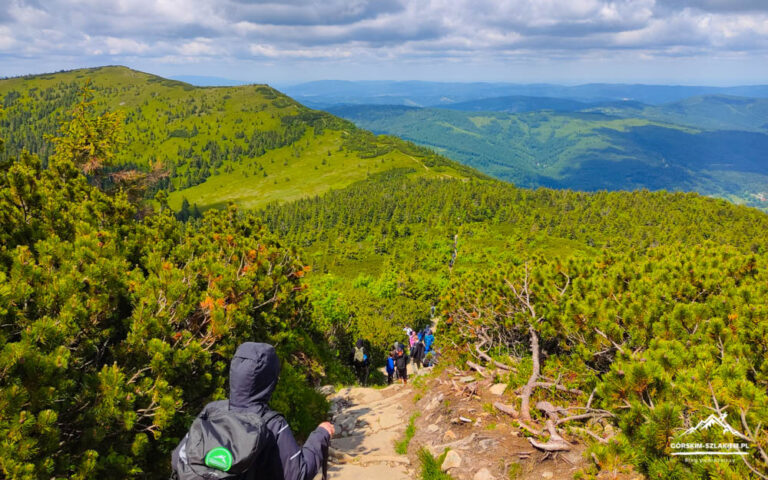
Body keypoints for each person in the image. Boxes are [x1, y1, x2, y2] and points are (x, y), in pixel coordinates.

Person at [171, 342, 334, 480]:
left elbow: (179, 457)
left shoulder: (212, 410)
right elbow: (299, 474)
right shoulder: (273, 424)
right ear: (270, 380)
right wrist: (320, 435)